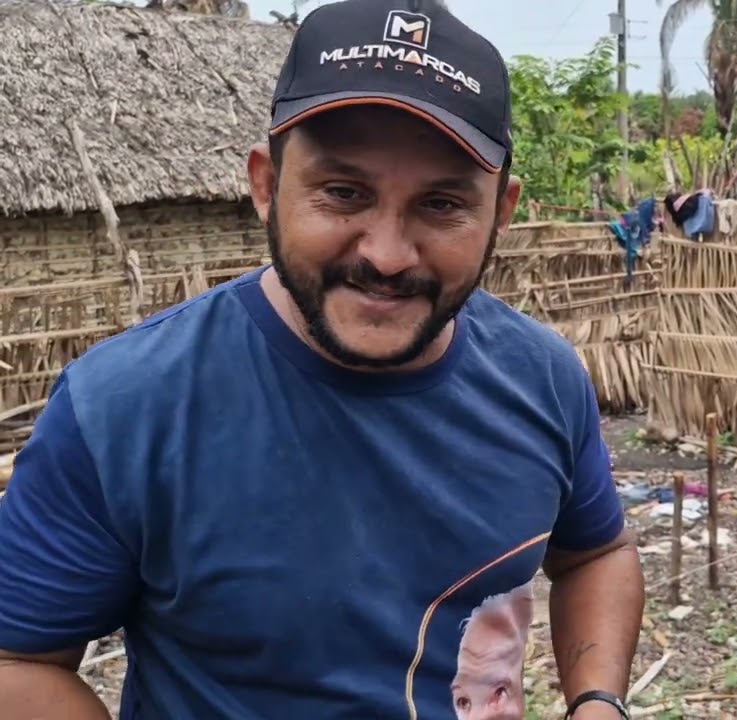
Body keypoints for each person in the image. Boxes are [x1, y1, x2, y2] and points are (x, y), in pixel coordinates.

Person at [0, 1, 644, 718]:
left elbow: (595, 554)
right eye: (343, 193)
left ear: (502, 211)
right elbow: (19, 660)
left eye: (441, 205)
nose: (387, 254)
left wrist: (597, 702)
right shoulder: (123, 407)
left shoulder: (545, 379)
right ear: (267, 185)